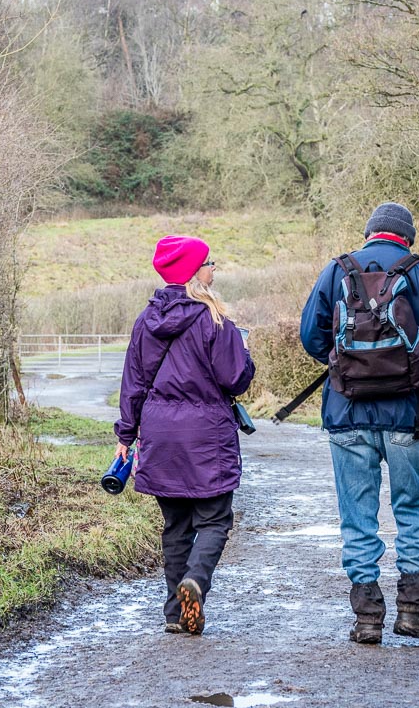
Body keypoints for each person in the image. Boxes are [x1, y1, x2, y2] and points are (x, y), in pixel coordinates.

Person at [299, 202, 419, 644]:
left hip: (347, 413)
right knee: (412, 507)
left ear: (370, 233)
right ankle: (413, 612)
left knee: (357, 515)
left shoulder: (337, 271)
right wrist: (411, 361)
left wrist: (349, 365)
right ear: (406, 237)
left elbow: (310, 336)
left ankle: (367, 618)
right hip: (407, 413)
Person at [115, 235, 255, 636]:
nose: (214, 269)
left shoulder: (146, 321)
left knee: (176, 526)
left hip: (160, 436)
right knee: (214, 520)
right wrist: (246, 357)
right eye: (210, 263)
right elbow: (235, 379)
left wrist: (126, 434)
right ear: (195, 272)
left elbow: (133, 383)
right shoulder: (214, 319)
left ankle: (176, 613)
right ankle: (195, 581)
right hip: (206, 435)